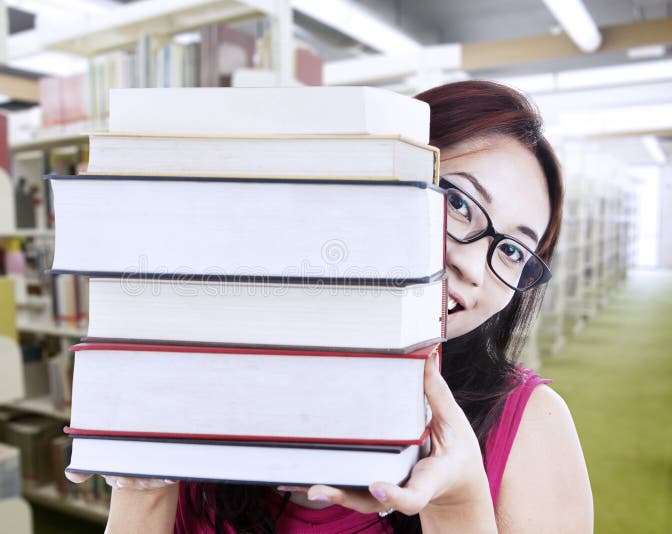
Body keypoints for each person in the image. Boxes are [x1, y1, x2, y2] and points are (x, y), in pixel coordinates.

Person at [67, 80, 594, 533]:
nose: (474, 271)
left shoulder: (531, 427)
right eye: (457, 202)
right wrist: (140, 478)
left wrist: (459, 504)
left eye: (512, 249)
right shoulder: (211, 369)